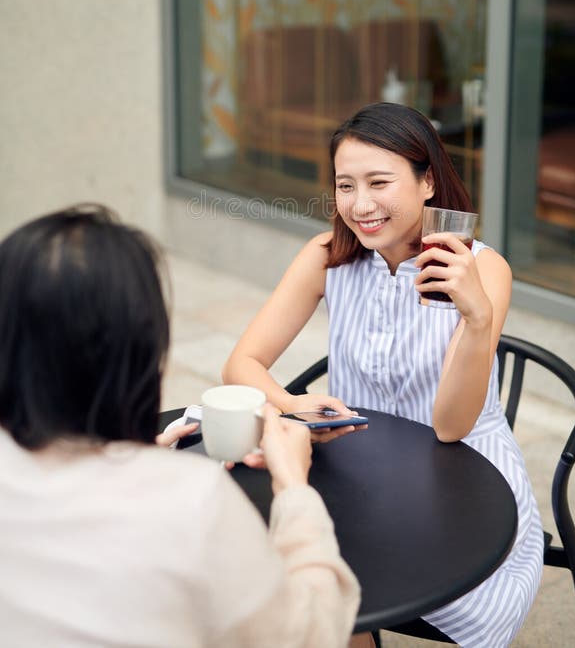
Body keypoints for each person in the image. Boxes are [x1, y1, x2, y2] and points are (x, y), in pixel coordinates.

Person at [223, 102, 544, 648]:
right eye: (345, 186)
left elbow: (451, 426)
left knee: (372, 579)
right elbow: (241, 364)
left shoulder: (481, 268)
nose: (361, 204)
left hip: (464, 480)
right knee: (301, 571)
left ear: (427, 182)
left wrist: (477, 315)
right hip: (360, 470)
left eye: (379, 182)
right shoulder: (327, 257)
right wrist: (290, 403)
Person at [0, 204, 362, 648]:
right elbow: (308, 633)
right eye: (345, 184)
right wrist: (293, 486)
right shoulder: (193, 500)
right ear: (140, 347)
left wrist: (150, 452)